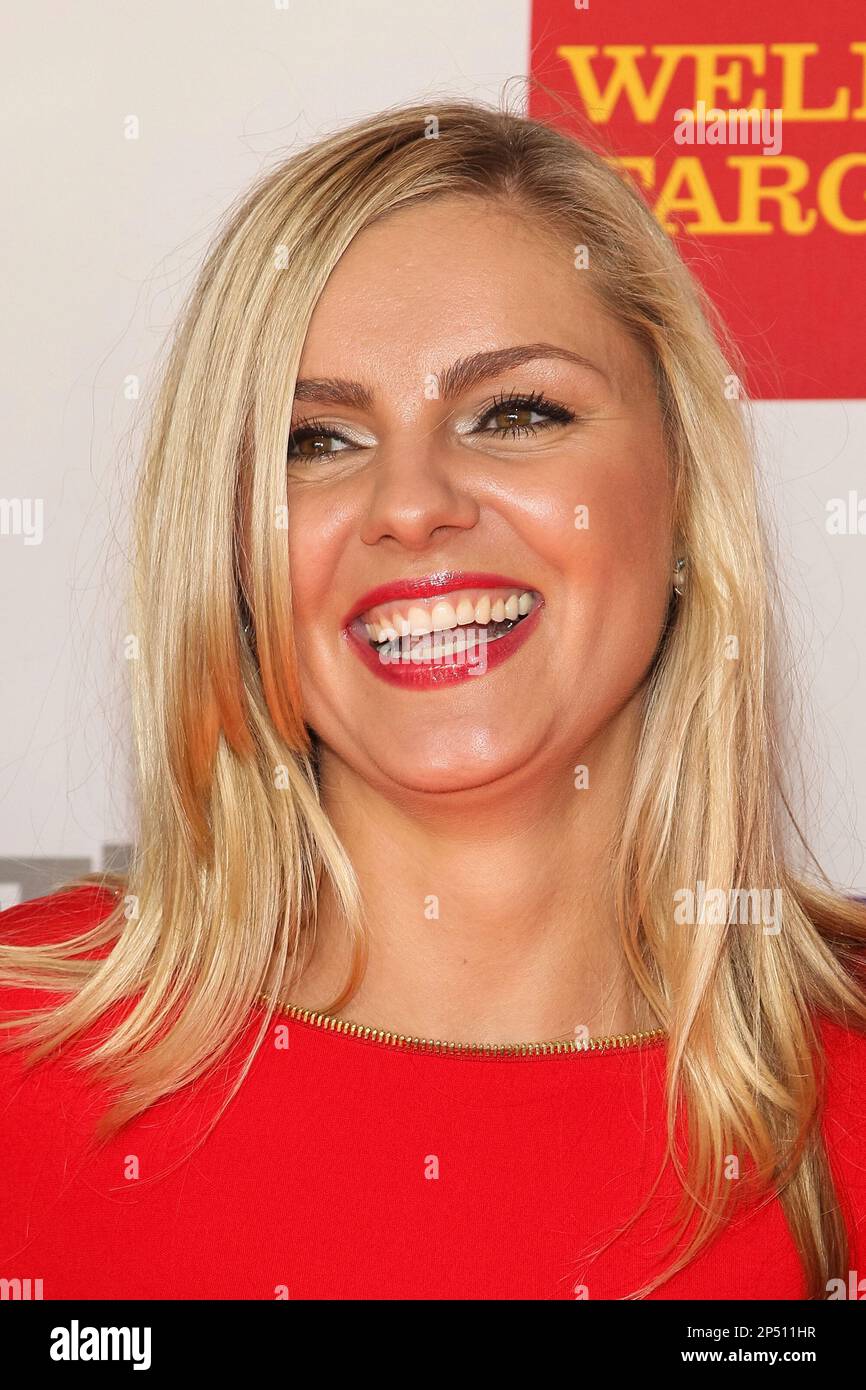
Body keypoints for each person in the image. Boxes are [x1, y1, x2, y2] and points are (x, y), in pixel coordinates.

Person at [2, 98, 865, 1302]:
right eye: (318, 439)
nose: (410, 502)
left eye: (515, 413)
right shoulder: (20, 1056)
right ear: (235, 553)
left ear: (677, 499)